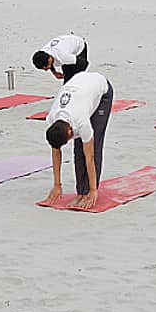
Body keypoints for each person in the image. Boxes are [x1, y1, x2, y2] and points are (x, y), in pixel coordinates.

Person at [43, 71, 114, 209]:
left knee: (93, 145)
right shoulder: (52, 120)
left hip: (101, 89)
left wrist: (93, 190)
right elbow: (56, 152)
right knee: (78, 148)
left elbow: (90, 156)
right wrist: (57, 185)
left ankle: (89, 191)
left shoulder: (80, 120)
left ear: (70, 130)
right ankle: (81, 191)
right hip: (80, 86)